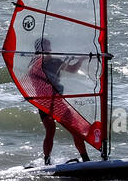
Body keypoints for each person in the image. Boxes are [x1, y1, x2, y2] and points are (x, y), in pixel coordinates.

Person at [29, 37, 90, 165]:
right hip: (45, 102)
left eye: (48, 45)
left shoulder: (53, 61)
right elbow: (36, 71)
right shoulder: (35, 64)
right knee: (51, 130)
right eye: (44, 46)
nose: (47, 48)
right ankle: (47, 161)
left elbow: (72, 69)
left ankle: (85, 158)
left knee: (73, 129)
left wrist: (80, 60)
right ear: (39, 49)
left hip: (54, 102)